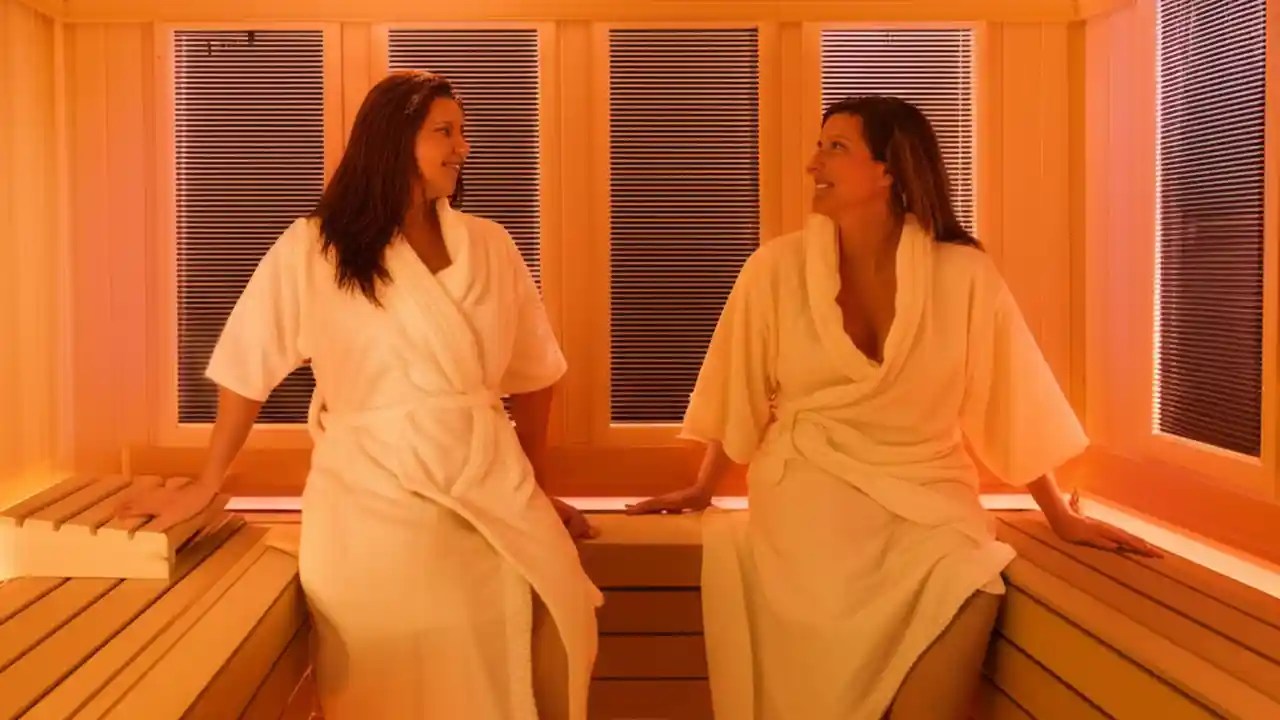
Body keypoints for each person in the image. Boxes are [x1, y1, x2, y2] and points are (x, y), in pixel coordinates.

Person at [627, 96, 1160, 719]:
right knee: (825, 588)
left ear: (890, 169)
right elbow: (737, 392)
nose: (812, 163)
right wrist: (700, 487)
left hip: (927, 487)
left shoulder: (962, 273)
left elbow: (1009, 394)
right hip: (811, 485)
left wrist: (1060, 515)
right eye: (818, 145)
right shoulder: (774, 270)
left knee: (971, 579)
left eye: (835, 148)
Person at [117, 71, 602, 719]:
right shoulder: (316, 248)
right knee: (392, 670)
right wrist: (210, 478)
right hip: (371, 503)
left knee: (515, 641)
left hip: (490, 491)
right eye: (445, 131)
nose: (462, 146)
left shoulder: (490, 245)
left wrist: (537, 489)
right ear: (394, 140)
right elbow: (246, 364)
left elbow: (536, 374)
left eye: (463, 131)